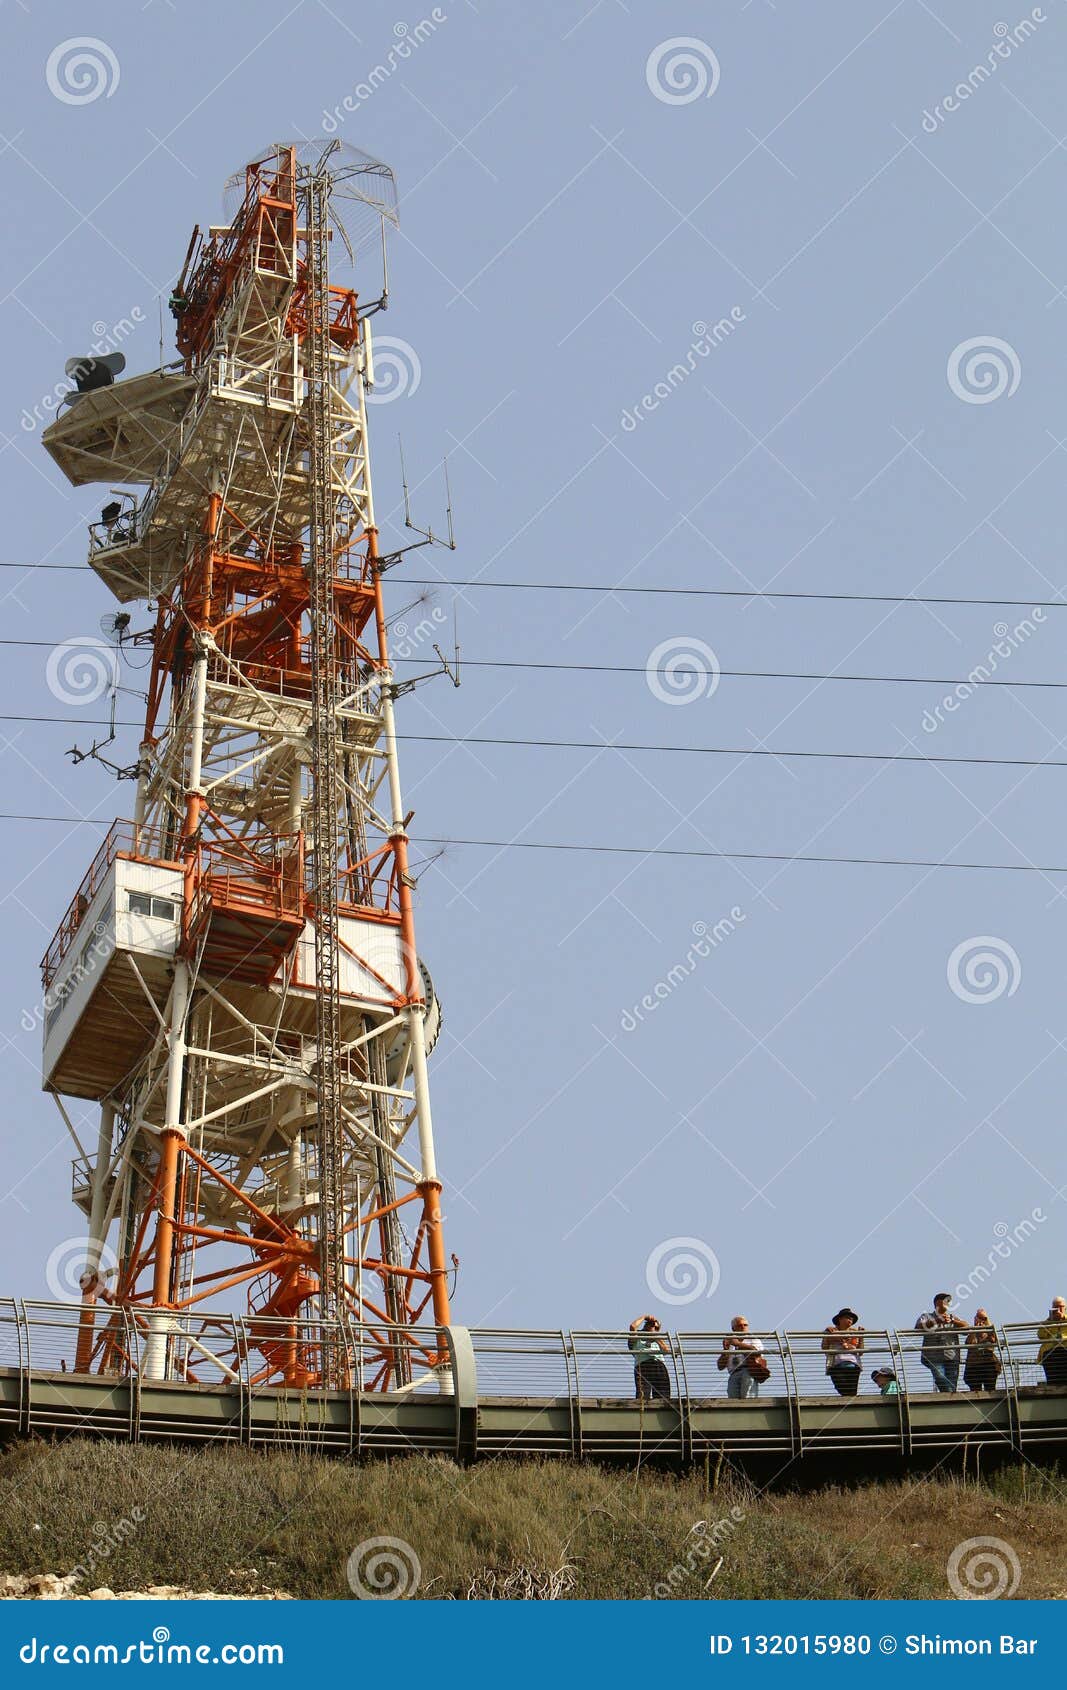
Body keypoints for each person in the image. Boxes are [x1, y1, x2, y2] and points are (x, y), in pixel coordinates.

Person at [915, 1292, 968, 1392]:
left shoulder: (952, 1317)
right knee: (939, 1377)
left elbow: (967, 1329)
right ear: (937, 1303)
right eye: (945, 1300)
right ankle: (951, 1395)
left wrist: (953, 1321)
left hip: (952, 1357)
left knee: (952, 1384)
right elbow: (918, 1327)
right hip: (934, 1357)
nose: (947, 1302)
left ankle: (950, 1397)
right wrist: (937, 1320)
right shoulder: (927, 1316)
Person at [718, 1314, 765, 1399]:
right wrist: (725, 1350)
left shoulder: (753, 1339)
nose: (743, 1327)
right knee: (733, 1401)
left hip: (749, 1372)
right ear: (733, 1329)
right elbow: (720, 1366)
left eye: (745, 1325)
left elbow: (757, 1353)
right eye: (740, 1325)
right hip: (733, 1373)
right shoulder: (730, 1342)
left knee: (748, 1399)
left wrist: (738, 1344)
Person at [628, 1314, 672, 1401]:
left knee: (663, 1397)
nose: (653, 1327)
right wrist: (645, 1317)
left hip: (659, 1365)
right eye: (651, 1324)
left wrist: (655, 1336)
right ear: (646, 1325)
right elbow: (632, 1327)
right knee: (642, 1397)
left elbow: (666, 1350)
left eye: (656, 1327)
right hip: (643, 1365)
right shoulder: (638, 1337)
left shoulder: (657, 1339)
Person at [822, 1308, 865, 1396]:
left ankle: (851, 1402)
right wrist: (826, 1335)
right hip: (835, 1365)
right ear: (840, 1319)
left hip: (853, 1365)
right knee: (841, 1388)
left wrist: (861, 1337)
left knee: (852, 1390)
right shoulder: (831, 1331)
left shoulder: (855, 1333)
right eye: (848, 1318)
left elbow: (861, 1352)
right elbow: (824, 1348)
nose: (850, 1321)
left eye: (851, 1319)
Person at [963, 1308, 1001, 1393]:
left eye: (983, 1321)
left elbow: (994, 1339)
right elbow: (969, 1342)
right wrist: (975, 1328)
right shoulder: (972, 1334)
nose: (981, 1323)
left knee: (990, 1389)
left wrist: (986, 1319)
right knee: (975, 1392)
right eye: (978, 1320)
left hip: (989, 1365)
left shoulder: (989, 1333)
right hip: (973, 1367)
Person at [1037, 1296, 1067, 1386]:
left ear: (1065, 1308)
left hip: (1065, 1349)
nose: (1058, 1309)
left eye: (1060, 1307)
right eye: (1056, 1307)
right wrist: (1050, 1321)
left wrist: (1064, 1318)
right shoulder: (1049, 1321)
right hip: (1050, 1352)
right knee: (1053, 1380)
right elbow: (1040, 1335)